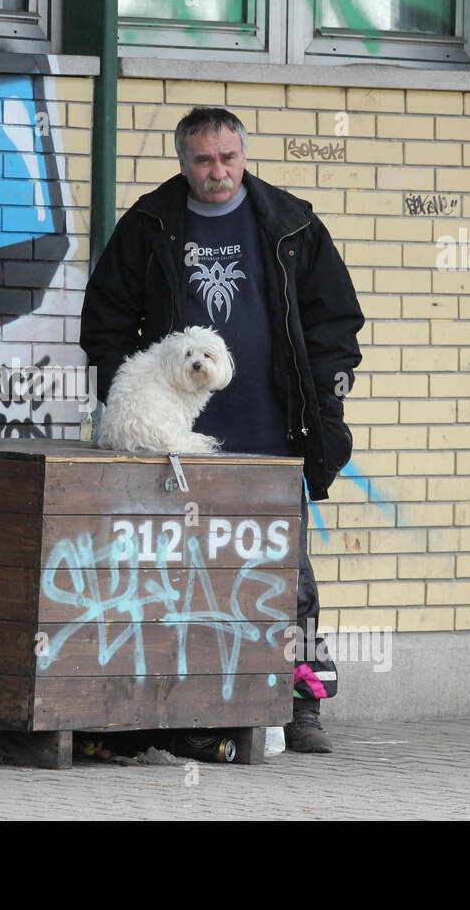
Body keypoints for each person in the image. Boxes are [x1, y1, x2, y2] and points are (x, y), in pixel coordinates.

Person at [80, 107, 364, 753]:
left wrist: (325, 401)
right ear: (183, 160)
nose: (218, 172)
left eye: (228, 158)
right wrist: (134, 404)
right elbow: (105, 326)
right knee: (178, 577)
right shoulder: (149, 226)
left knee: (287, 580)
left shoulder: (290, 223)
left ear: (243, 154)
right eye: (204, 160)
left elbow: (335, 323)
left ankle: (300, 707)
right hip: (175, 448)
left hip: (273, 437)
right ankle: (182, 713)